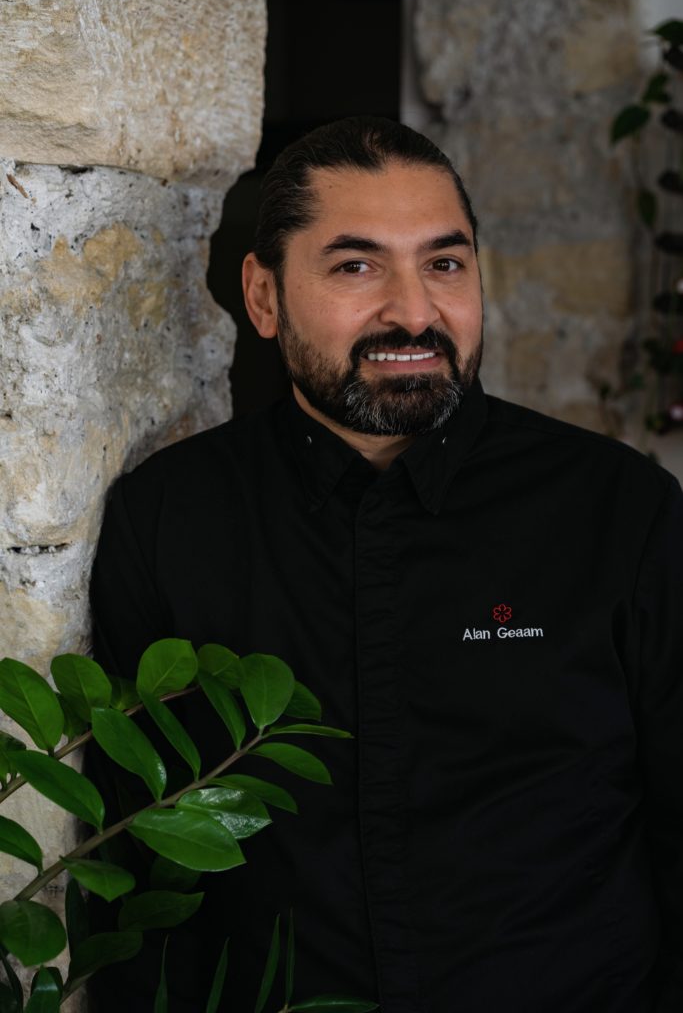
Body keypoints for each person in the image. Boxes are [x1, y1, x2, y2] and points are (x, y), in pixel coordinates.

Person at [89, 116, 683, 1012]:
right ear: (262, 296)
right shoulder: (168, 518)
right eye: (355, 266)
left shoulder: (619, 510)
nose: (413, 310)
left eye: (444, 263)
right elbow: (131, 864)